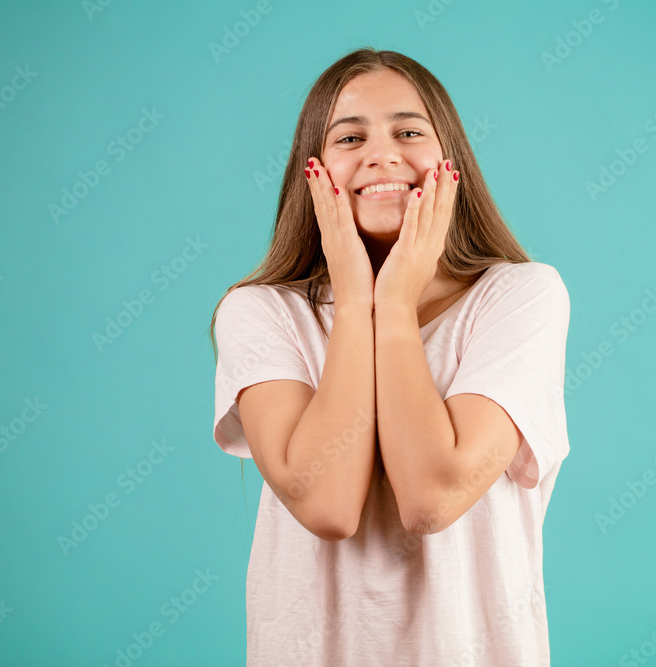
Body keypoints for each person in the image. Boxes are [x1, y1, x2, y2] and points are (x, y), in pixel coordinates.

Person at [209, 47, 571, 666]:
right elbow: (326, 505)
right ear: (312, 170)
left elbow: (432, 498)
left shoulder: (521, 296)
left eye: (409, 132)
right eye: (350, 138)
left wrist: (396, 304)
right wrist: (357, 303)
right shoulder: (260, 312)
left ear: (451, 159)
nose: (382, 154)